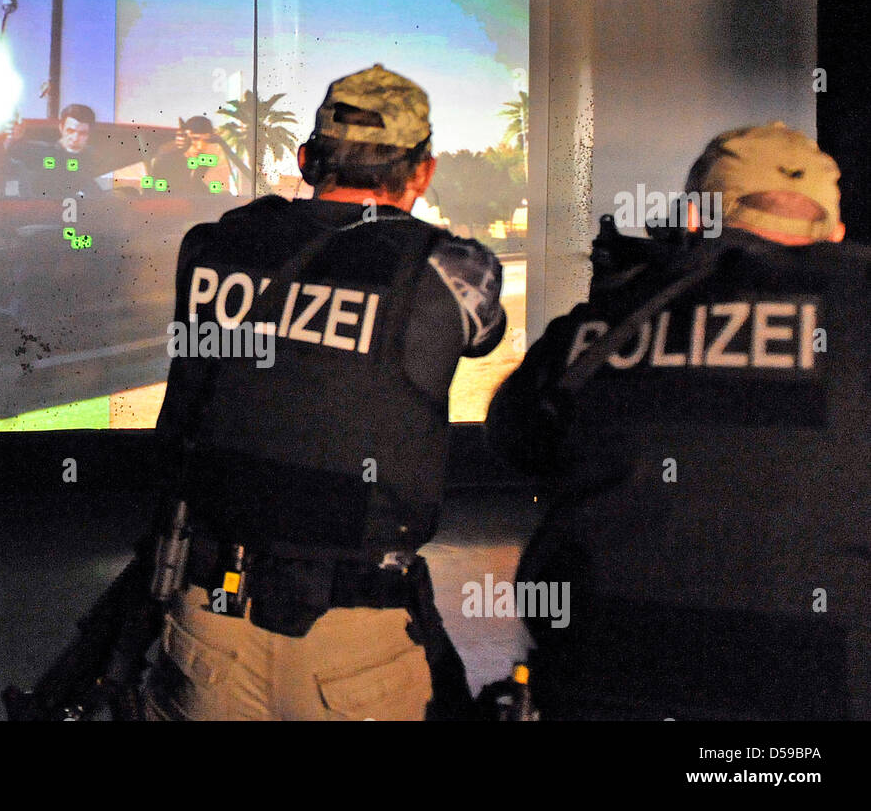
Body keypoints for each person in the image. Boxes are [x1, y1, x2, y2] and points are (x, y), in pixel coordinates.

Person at [143, 64, 506, 720]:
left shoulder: (215, 244)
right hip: (354, 635)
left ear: (309, 158)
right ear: (422, 172)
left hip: (208, 611)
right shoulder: (453, 269)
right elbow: (481, 335)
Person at [485, 122, 869, 720]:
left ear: (693, 218)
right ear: (837, 232)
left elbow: (515, 437)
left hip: (603, 687)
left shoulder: (614, 319)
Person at [7, 103, 104, 199]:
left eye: (82, 133)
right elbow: (10, 152)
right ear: (61, 128)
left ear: (89, 133)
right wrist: (13, 138)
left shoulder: (93, 158)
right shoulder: (39, 151)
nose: (75, 138)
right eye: (70, 131)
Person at [149, 115, 231, 196]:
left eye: (206, 140)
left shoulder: (205, 165)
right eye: (195, 139)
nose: (200, 147)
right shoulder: (166, 163)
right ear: (186, 138)